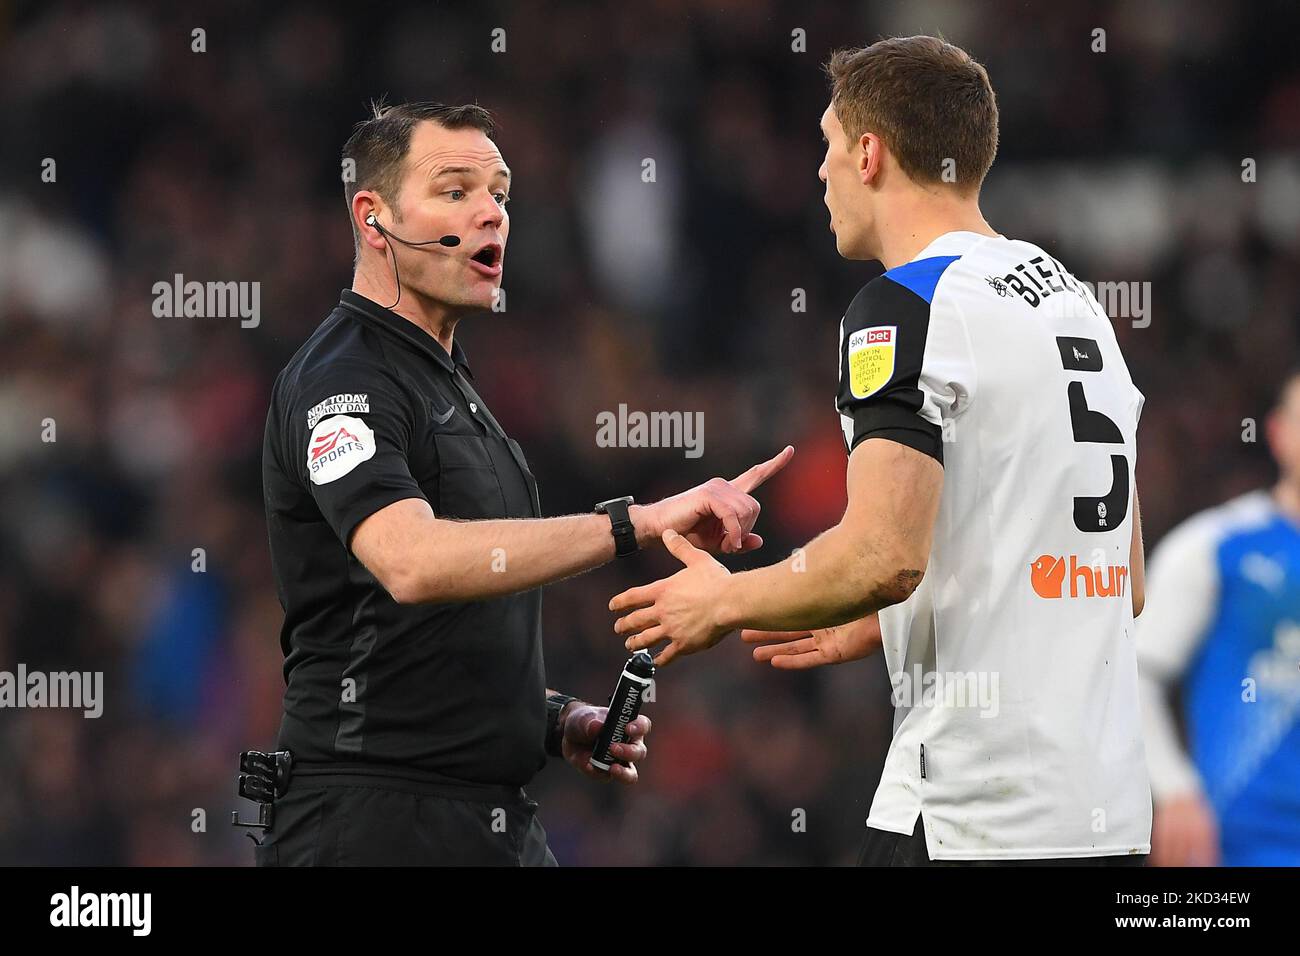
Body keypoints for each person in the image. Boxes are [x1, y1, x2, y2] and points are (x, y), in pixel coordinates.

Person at [610, 36, 1151, 865]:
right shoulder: (1077, 303)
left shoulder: (903, 306)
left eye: (828, 147)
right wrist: (886, 619)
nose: (819, 173)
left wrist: (726, 601)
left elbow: (885, 556)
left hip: (973, 811)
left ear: (869, 153)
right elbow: (1122, 575)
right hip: (1104, 813)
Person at [258, 100, 791, 865]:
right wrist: (632, 523)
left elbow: (426, 635)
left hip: (485, 816)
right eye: (455, 192)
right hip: (370, 821)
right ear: (373, 219)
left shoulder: (451, 384)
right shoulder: (344, 380)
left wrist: (547, 718)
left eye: (500, 195)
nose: (492, 216)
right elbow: (410, 562)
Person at [1138, 370, 1300, 866]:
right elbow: (1132, 671)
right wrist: (1174, 791)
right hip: (1240, 843)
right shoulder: (1217, 545)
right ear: (1276, 432)